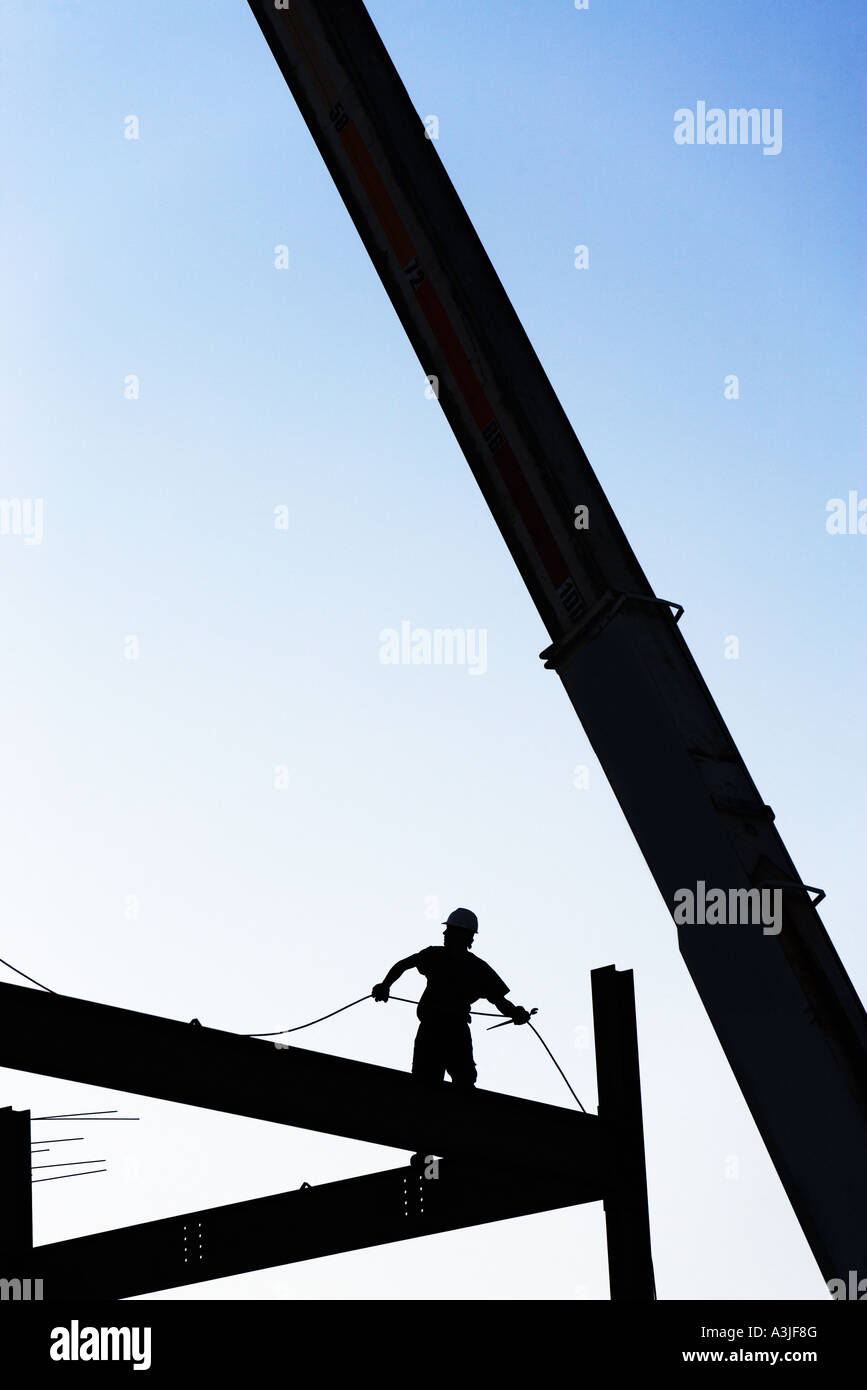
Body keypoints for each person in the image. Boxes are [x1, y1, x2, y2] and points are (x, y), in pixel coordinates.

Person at [371, 908, 531, 1089]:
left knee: (428, 1084)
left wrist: (385, 985)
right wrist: (515, 1013)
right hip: (451, 1033)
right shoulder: (476, 967)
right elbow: (500, 1001)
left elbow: (403, 965)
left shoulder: (440, 957)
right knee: (458, 1084)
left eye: (450, 930)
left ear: (462, 935)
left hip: (440, 1032)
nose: (444, 933)